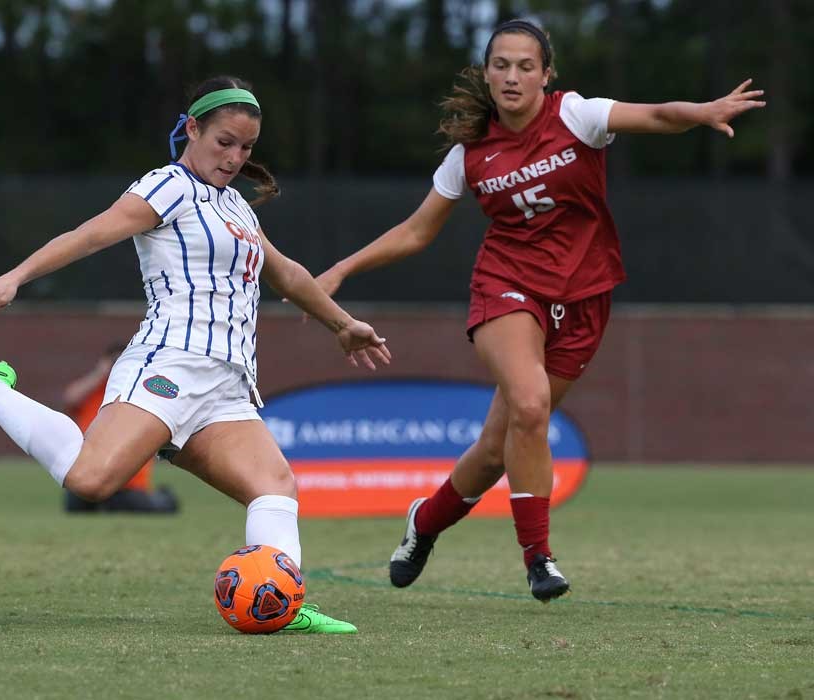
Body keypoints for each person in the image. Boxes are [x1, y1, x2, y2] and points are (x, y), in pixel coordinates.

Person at [0, 75, 391, 633]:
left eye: (247, 147)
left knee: (275, 486)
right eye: (224, 142)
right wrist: (16, 276)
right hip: (169, 363)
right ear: (192, 129)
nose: (235, 157)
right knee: (92, 482)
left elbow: (285, 273)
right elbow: (94, 233)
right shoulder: (169, 186)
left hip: (227, 384)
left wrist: (343, 324)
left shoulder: (236, 206)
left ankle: (282, 599)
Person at [313, 19, 764, 601]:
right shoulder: (470, 154)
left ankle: (423, 523)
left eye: (526, 66)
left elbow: (654, 116)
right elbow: (416, 231)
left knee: (498, 450)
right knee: (531, 405)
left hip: (584, 295)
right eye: (501, 64)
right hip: (508, 285)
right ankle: (539, 558)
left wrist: (700, 112)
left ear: (547, 75)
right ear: (485, 72)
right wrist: (342, 270)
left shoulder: (576, 115)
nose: (512, 76)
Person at [62, 341, 179, 514]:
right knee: (76, 505)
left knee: (148, 507)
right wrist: (99, 374)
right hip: (88, 475)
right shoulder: (93, 390)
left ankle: (163, 497)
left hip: (129, 484)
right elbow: (70, 398)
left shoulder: (138, 391)